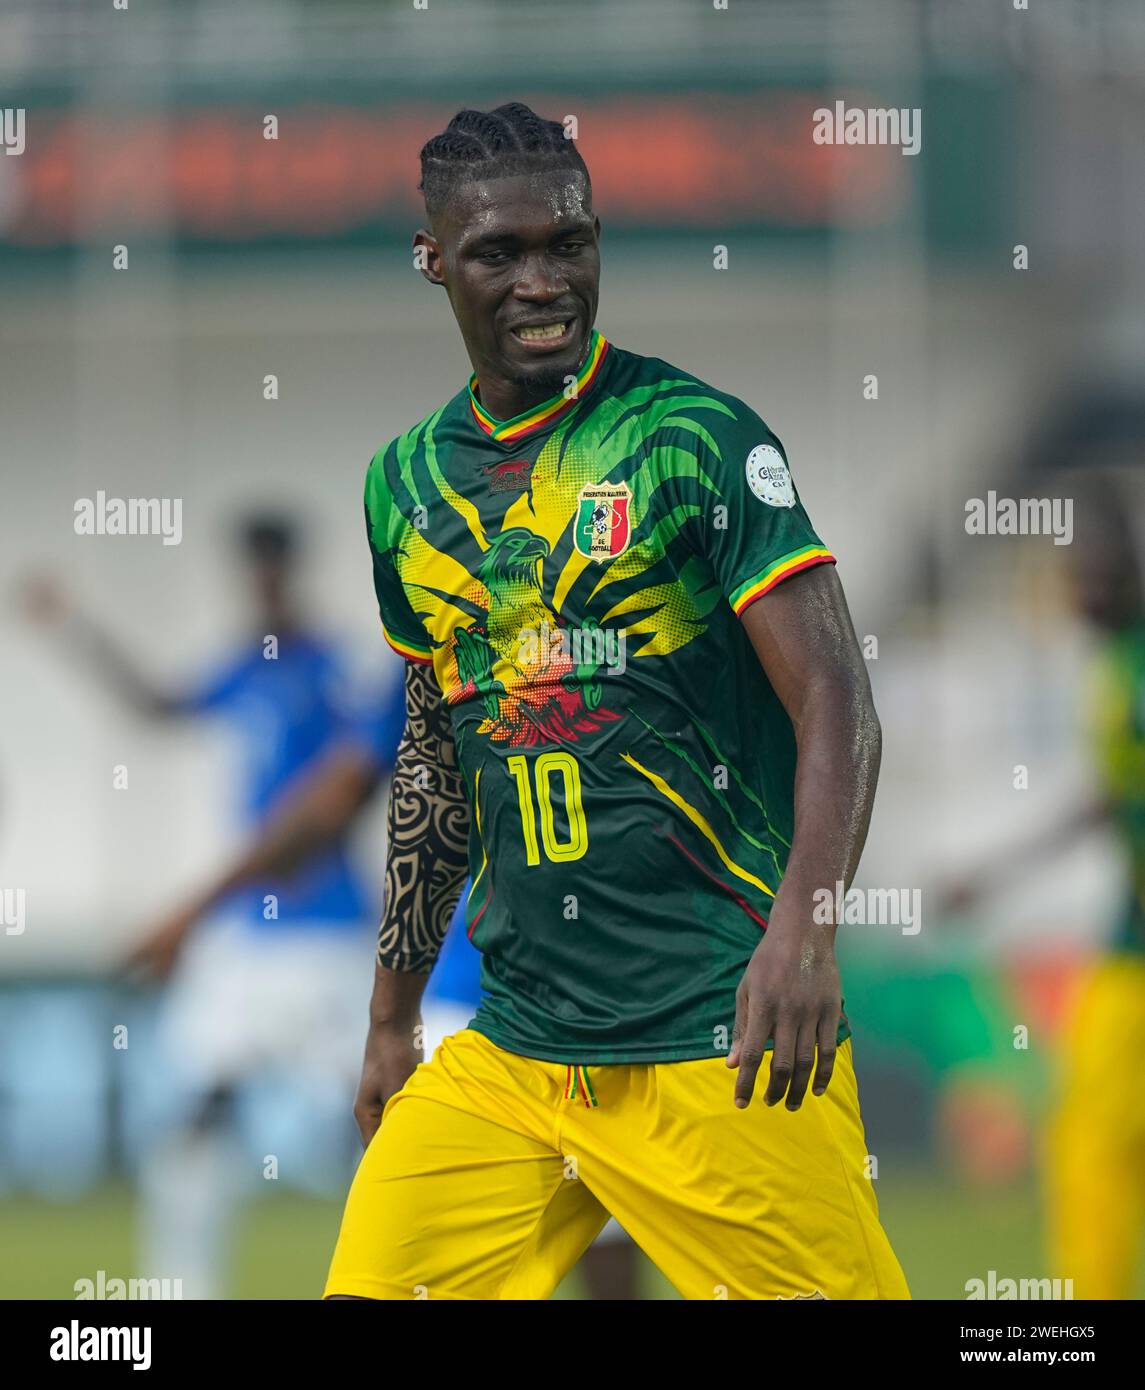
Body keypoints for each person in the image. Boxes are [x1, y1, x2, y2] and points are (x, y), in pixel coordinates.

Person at [324, 101, 909, 1301]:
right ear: (434, 259)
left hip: (718, 1034)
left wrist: (804, 927)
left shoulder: (692, 438)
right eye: (500, 254)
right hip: (518, 1050)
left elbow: (837, 697)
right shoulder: (401, 487)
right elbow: (435, 762)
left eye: (569, 245)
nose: (542, 281)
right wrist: (391, 1017)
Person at [23, 514, 401, 1298]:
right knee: (198, 1113)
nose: (260, 584)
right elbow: (159, 706)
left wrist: (184, 915)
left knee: (376, 1124)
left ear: (290, 571)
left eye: (270, 568)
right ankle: (180, 1291)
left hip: (326, 933)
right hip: (245, 939)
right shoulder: (245, 668)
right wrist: (75, 630)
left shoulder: (337, 671)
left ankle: (395, 1275)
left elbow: (330, 804)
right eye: (250, 570)